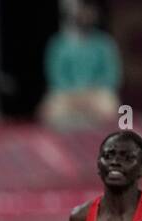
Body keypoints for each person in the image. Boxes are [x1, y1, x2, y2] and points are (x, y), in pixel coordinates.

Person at [38, 1, 121, 131]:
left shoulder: (104, 43)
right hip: (67, 94)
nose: (85, 16)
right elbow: (55, 75)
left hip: (95, 93)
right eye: (81, 11)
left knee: (109, 109)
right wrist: (76, 96)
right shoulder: (58, 43)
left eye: (89, 12)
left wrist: (88, 95)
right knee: (49, 112)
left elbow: (111, 75)